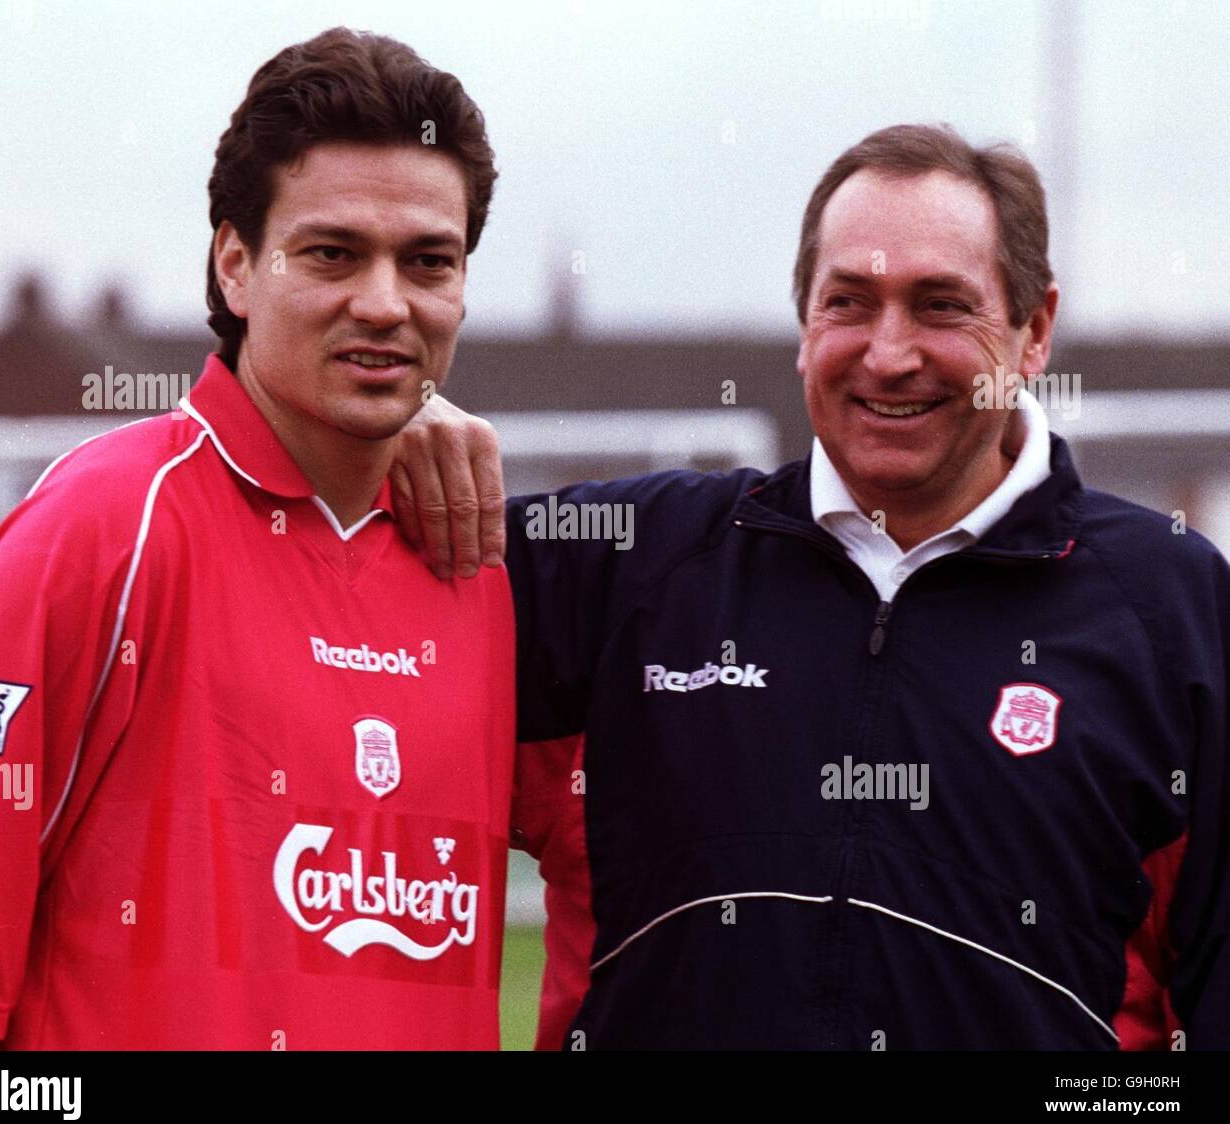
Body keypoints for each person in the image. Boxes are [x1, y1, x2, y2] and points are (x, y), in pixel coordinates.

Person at [393, 124, 1230, 1049]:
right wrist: (382, 431)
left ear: (1034, 331)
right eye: (850, 303)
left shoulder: (1176, 612)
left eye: (941, 306)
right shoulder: (620, 566)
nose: (888, 352)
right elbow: (307, 612)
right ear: (804, 329)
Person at [0, 28, 514, 1049]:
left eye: (428, 262)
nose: (384, 303)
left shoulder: (486, 565)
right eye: (332, 252)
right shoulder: (90, 532)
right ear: (236, 265)